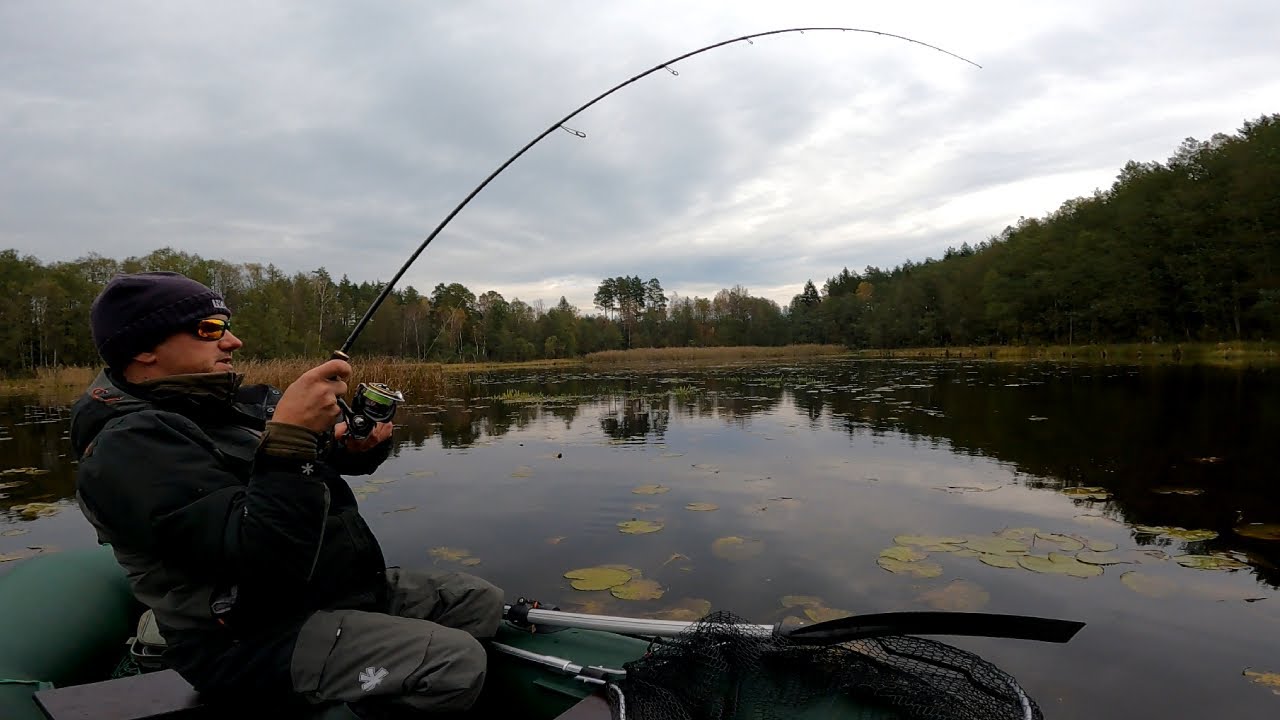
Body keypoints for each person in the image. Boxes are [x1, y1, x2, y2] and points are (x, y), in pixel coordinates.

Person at [69, 270, 504, 718]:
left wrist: (347, 444)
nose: (232, 341)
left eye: (226, 326)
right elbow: (262, 558)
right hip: (246, 640)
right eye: (209, 330)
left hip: (324, 593)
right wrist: (292, 439)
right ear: (143, 348)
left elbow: (295, 469)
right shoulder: (126, 447)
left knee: (477, 603)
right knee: (454, 663)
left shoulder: (221, 407)